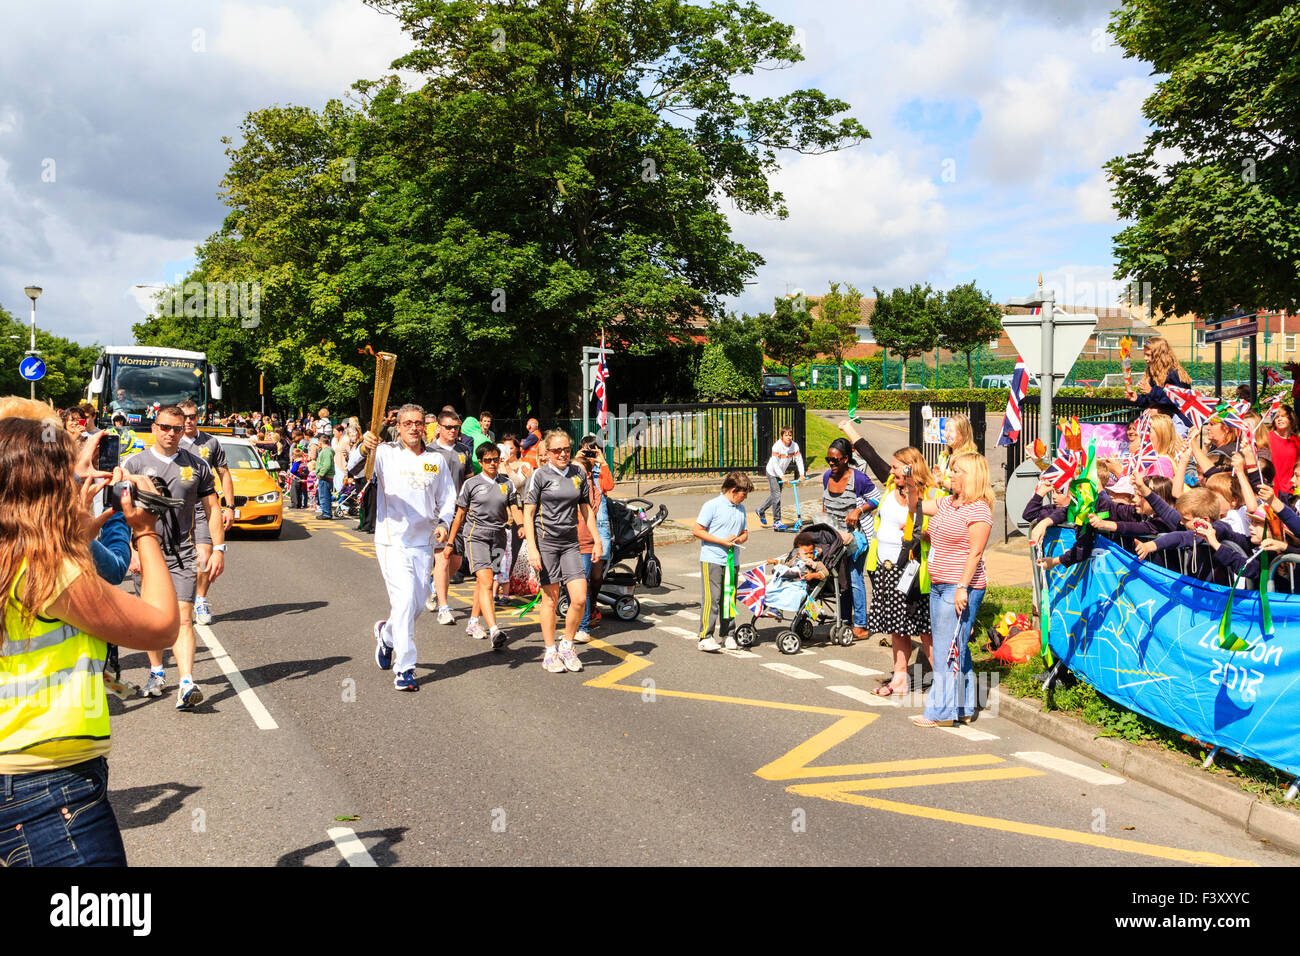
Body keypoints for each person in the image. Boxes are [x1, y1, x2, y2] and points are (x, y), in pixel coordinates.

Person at [0, 419, 180, 866]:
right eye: (66, 471)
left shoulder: (12, 556)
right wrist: (143, 530)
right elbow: (160, 626)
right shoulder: (45, 571)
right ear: (47, 484)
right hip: (46, 787)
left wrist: (74, 533)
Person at [123, 405, 226, 710]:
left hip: (182, 552)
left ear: (184, 431)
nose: (170, 433)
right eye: (165, 427)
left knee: (183, 618)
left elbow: (211, 509)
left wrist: (215, 547)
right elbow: (118, 514)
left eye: (177, 429)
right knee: (153, 620)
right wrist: (130, 551)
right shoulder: (134, 464)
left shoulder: (197, 465)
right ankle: (156, 673)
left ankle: (186, 682)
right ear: (153, 428)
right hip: (146, 550)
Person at [352, 404, 456, 691]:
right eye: (407, 423)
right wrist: (364, 449)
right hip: (392, 540)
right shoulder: (384, 453)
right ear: (398, 426)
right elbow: (354, 470)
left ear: (426, 427)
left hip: (423, 542)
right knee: (405, 599)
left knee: (418, 603)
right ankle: (405, 668)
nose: (413, 427)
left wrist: (444, 523)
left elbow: (448, 498)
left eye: (419, 423)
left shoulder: (436, 460)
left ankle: (386, 635)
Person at [912, 452, 993, 727]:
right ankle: (966, 707)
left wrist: (962, 588)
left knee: (946, 648)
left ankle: (940, 713)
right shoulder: (949, 502)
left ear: (971, 477)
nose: (951, 475)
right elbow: (918, 505)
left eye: (957, 471)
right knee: (957, 646)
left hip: (959, 587)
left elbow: (976, 552)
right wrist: (913, 480)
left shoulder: (979, 509)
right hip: (938, 584)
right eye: (952, 470)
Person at [864, 448, 942, 697]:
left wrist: (921, 533)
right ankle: (899, 678)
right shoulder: (890, 488)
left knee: (925, 629)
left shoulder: (933, 494)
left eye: (896, 466)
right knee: (896, 627)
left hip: (914, 571)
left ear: (910, 468)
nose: (891, 470)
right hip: (886, 568)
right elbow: (872, 457)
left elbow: (946, 532)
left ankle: (944, 683)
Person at [523, 429, 602, 673]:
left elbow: (586, 509)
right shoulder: (539, 476)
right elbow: (528, 513)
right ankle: (549, 652)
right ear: (547, 452)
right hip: (546, 543)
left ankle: (567, 645)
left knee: (579, 598)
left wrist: (597, 540)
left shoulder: (578, 472)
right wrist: (532, 549)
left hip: (570, 543)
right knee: (550, 598)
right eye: (557, 450)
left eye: (566, 449)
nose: (563, 454)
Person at [445, 442, 524, 650]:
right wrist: (450, 542)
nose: (492, 463)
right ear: (480, 462)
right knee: (487, 581)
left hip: (498, 537)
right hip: (476, 536)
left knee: (483, 582)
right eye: (487, 460)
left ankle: (473, 622)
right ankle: (495, 630)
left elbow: (515, 508)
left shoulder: (507, 484)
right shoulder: (471, 484)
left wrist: (522, 525)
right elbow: (460, 515)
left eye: (495, 459)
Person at [178, 399, 234, 627]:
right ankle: (181, 599)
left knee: (203, 557)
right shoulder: (171, 440)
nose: (189, 421)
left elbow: (224, 474)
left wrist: (230, 506)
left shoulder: (211, 443)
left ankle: (200, 599)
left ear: (198, 417)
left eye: (193, 416)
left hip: (203, 508)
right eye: (185, 417)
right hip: (177, 508)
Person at [821, 437, 880, 639]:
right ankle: (845, 619)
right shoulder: (827, 476)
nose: (831, 463)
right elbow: (824, 502)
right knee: (840, 579)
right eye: (828, 459)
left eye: (835, 460)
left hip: (857, 537)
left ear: (846, 459)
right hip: (835, 536)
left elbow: (877, 499)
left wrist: (858, 510)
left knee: (854, 578)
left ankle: (861, 624)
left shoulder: (859, 479)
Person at [692, 472, 753, 652]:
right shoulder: (712, 505)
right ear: (733, 490)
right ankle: (705, 636)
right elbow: (697, 530)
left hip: (732, 560)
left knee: (729, 598)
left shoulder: (740, 508)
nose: (745, 498)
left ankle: (728, 634)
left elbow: (745, 533)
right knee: (713, 599)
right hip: (712, 559)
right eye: (743, 494)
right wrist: (721, 541)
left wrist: (739, 540)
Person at [426, 410, 473, 623]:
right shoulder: (428, 451)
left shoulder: (464, 451)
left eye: (456, 427)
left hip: (459, 512)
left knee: (455, 561)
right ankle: (445, 608)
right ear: (438, 428)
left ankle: (435, 587)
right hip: (437, 513)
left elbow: (469, 481)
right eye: (448, 427)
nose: (452, 431)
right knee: (443, 557)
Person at [573, 441, 615, 642]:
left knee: (591, 578)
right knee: (579, 582)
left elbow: (609, 486)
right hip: (571, 539)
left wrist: (602, 462)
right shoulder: (571, 481)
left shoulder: (593, 487)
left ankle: (585, 621)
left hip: (593, 535)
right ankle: (581, 619)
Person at [1125, 337, 1192, 435]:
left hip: (1178, 423)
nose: (1145, 358)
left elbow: (1178, 399)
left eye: (1148, 355)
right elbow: (1153, 400)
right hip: (1162, 423)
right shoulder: (1153, 373)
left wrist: (1152, 391)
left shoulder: (1174, 373)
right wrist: (1138, 399)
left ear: (1158, 355)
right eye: (1145, 355)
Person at [756, 426, 805, 530]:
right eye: (786, 435)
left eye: (790, 435)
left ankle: (761, 510)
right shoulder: (777, 446)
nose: (788, 437)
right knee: (777, 495)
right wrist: (782, 476)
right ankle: (777, 521)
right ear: (782, 436)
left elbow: (799, 460)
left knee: (775, 495)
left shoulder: (794, 446)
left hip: (781, 473)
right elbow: (775, 464)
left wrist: (801, 474)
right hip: (772, 472)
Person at [933, 414, 977, 491]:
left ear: (964, 433)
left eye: (951, 431)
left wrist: (942, 482)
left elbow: (967, 490)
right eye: (945, 430)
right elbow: (934, 488)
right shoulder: (943, 456)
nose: (946, 435)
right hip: (941, 502)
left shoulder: (971, 458)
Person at [315, 432, 336, 519]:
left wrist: (320, 474)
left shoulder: (326, 452)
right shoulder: (325, 451)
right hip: (325, 477)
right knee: (324, 495)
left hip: (325, 477)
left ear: (320, 442)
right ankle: (325, 512)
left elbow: (326, 465)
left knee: (324, 495)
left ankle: (326, 513)